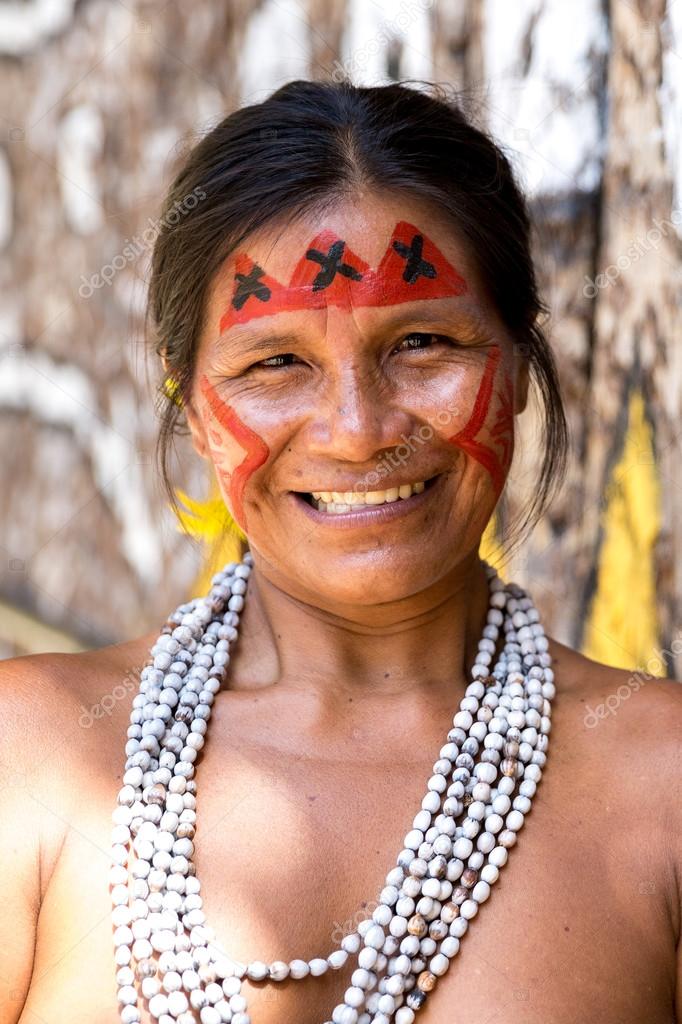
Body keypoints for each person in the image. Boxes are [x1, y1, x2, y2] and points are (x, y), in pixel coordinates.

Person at [1, 79, 680, 1024]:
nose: (358, 432)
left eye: (425, 342)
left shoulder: (663, 782)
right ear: (194, 409)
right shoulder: (29, 759)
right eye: (276, 363)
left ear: (518, 367)